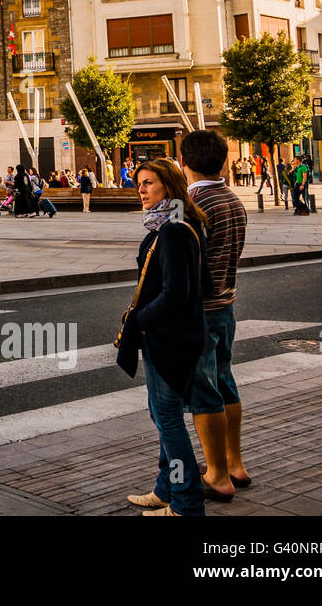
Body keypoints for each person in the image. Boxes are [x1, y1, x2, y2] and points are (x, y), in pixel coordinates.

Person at [119, 159, 210, 517]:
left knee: (168, 419)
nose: (140, 190)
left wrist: (141, 319)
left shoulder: (173, 230)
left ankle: (186, 502)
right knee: (162, 415)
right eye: (139, 183)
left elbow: (177, 291)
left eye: (149, 184)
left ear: (168, 188)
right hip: (176, 335)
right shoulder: (178, 225)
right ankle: (166, 489)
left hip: (168, 338)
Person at [178, 130, 250, 503]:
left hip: (199, 312)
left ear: (184, 163)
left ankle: (218, 475)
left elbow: (184, 264)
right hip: (226, 304)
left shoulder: (194, 204)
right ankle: (235, 463)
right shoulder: (233, 200)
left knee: (204, 392)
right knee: (225, 382)